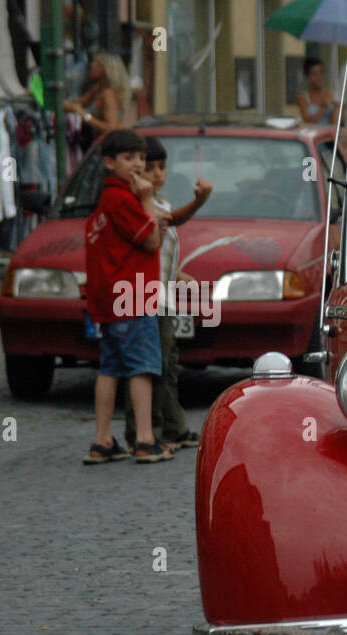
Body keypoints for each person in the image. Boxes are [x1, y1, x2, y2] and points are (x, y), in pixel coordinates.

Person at [82, 129, 171, 464]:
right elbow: (150, 240)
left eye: (141, 158)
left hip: (110, 299)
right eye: (129, 158)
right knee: (142, 368)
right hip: (133, 296)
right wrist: (147, 200)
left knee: (110, 368)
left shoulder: (106, 199)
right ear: (109, 162)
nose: (138, 164)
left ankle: (102, 439)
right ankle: (146, 441)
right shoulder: (123, 199)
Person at [123, 136, 212, 453]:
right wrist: (199, 202)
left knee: (169, 364)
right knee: (151, 366)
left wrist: (178, 276)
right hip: (144, 298)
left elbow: (161, 255)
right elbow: (169, 225)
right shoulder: (139, 206)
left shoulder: (158, 203)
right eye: (150, 167)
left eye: (162, 167)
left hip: (163, 296)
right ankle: (145, 433)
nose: (158, 174)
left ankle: (174, 427)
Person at [65, 52, 130, 147]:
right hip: (97, 143)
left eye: (97, 63)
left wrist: (85, 115)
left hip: (109, 145)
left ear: (105, 70)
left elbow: (111, 127)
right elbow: (77, 104)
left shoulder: (108, 94)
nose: (92, 65)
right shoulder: (98, 90)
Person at [297, 58, 341, 127]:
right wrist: (323, 108)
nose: (319, 77)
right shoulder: (303, 97)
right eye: (314, 73)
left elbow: (338, 119)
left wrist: (337, 107)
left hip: (330, 133)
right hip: (313, 134)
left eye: (321, 72)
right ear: (307, 76)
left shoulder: (330, 93)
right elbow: (307, 120)